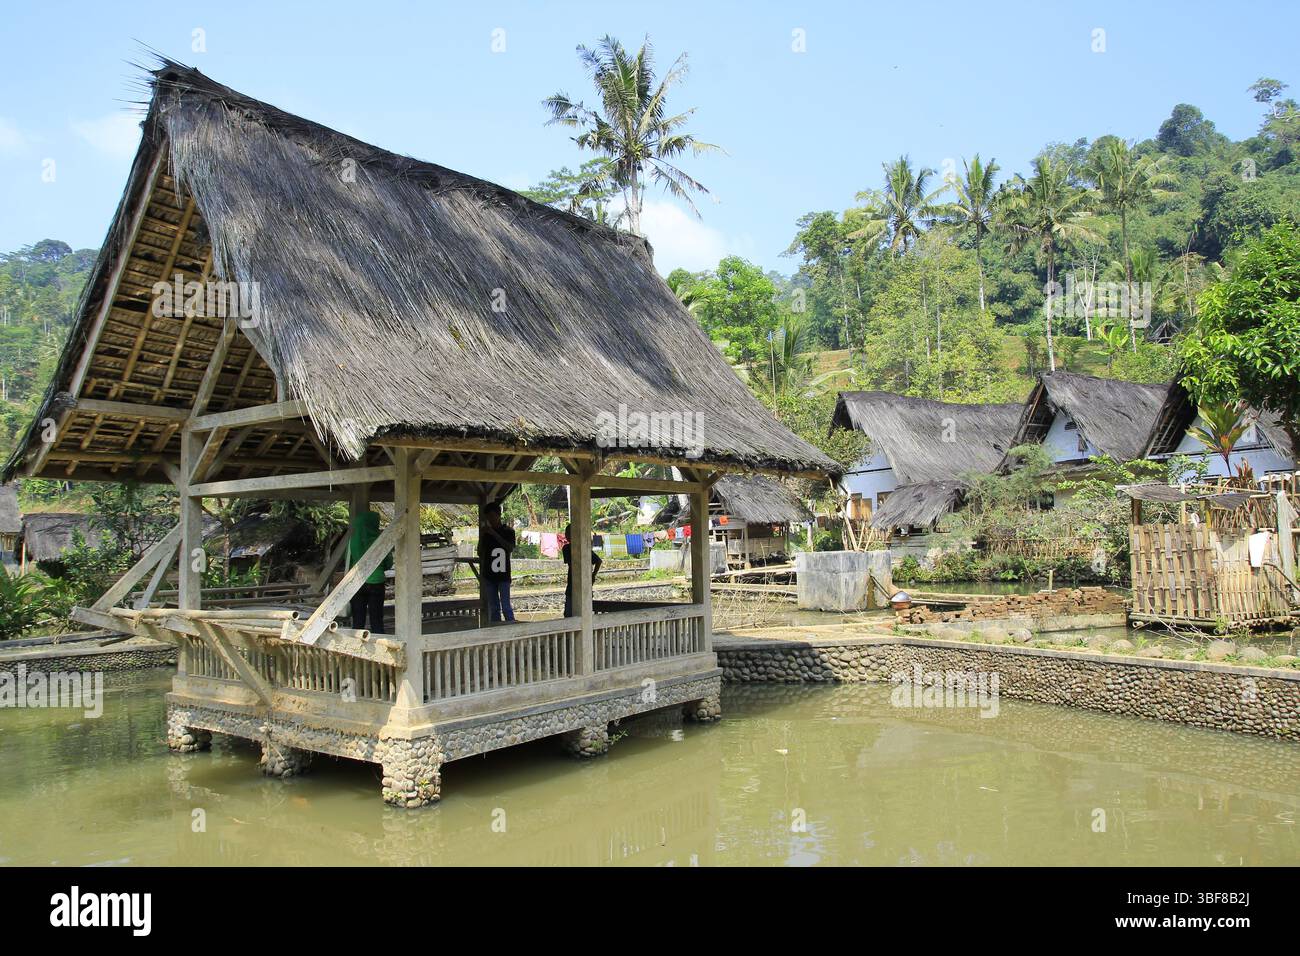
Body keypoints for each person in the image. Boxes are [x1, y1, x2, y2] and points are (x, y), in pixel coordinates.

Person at [347, 510, 391, 631]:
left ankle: (355, 647)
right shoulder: (382, 540)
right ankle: (381, 646)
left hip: (357, 583)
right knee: (376, 620)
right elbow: (388, 563)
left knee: (358, 621)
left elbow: (349, 561)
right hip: (377, 583)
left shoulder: (353, 540)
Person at [478, 502, 516, 622]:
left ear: (498, 515)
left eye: (492, 516)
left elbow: (509, 548)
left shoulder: (508, 531)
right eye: (488, 517)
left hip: (503, 574)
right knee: (494, 608)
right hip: (489, 574)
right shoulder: (486, 534)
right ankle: (497, 633)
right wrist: (482, 535)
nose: (490, 519)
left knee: (506, 607)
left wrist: (494, 533)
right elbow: (480, 552)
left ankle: (513, 632)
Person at [561, 522, 602, 618]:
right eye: (566, 533)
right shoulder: (572, 548)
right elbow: (598, 561)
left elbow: (598, 561)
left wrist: (593, 575)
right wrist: (593, 575)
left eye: (568, 533)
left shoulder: (572, 548)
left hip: (581, 584)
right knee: (572, 613)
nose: (566, 536)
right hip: (575, 585)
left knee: (575, 613)